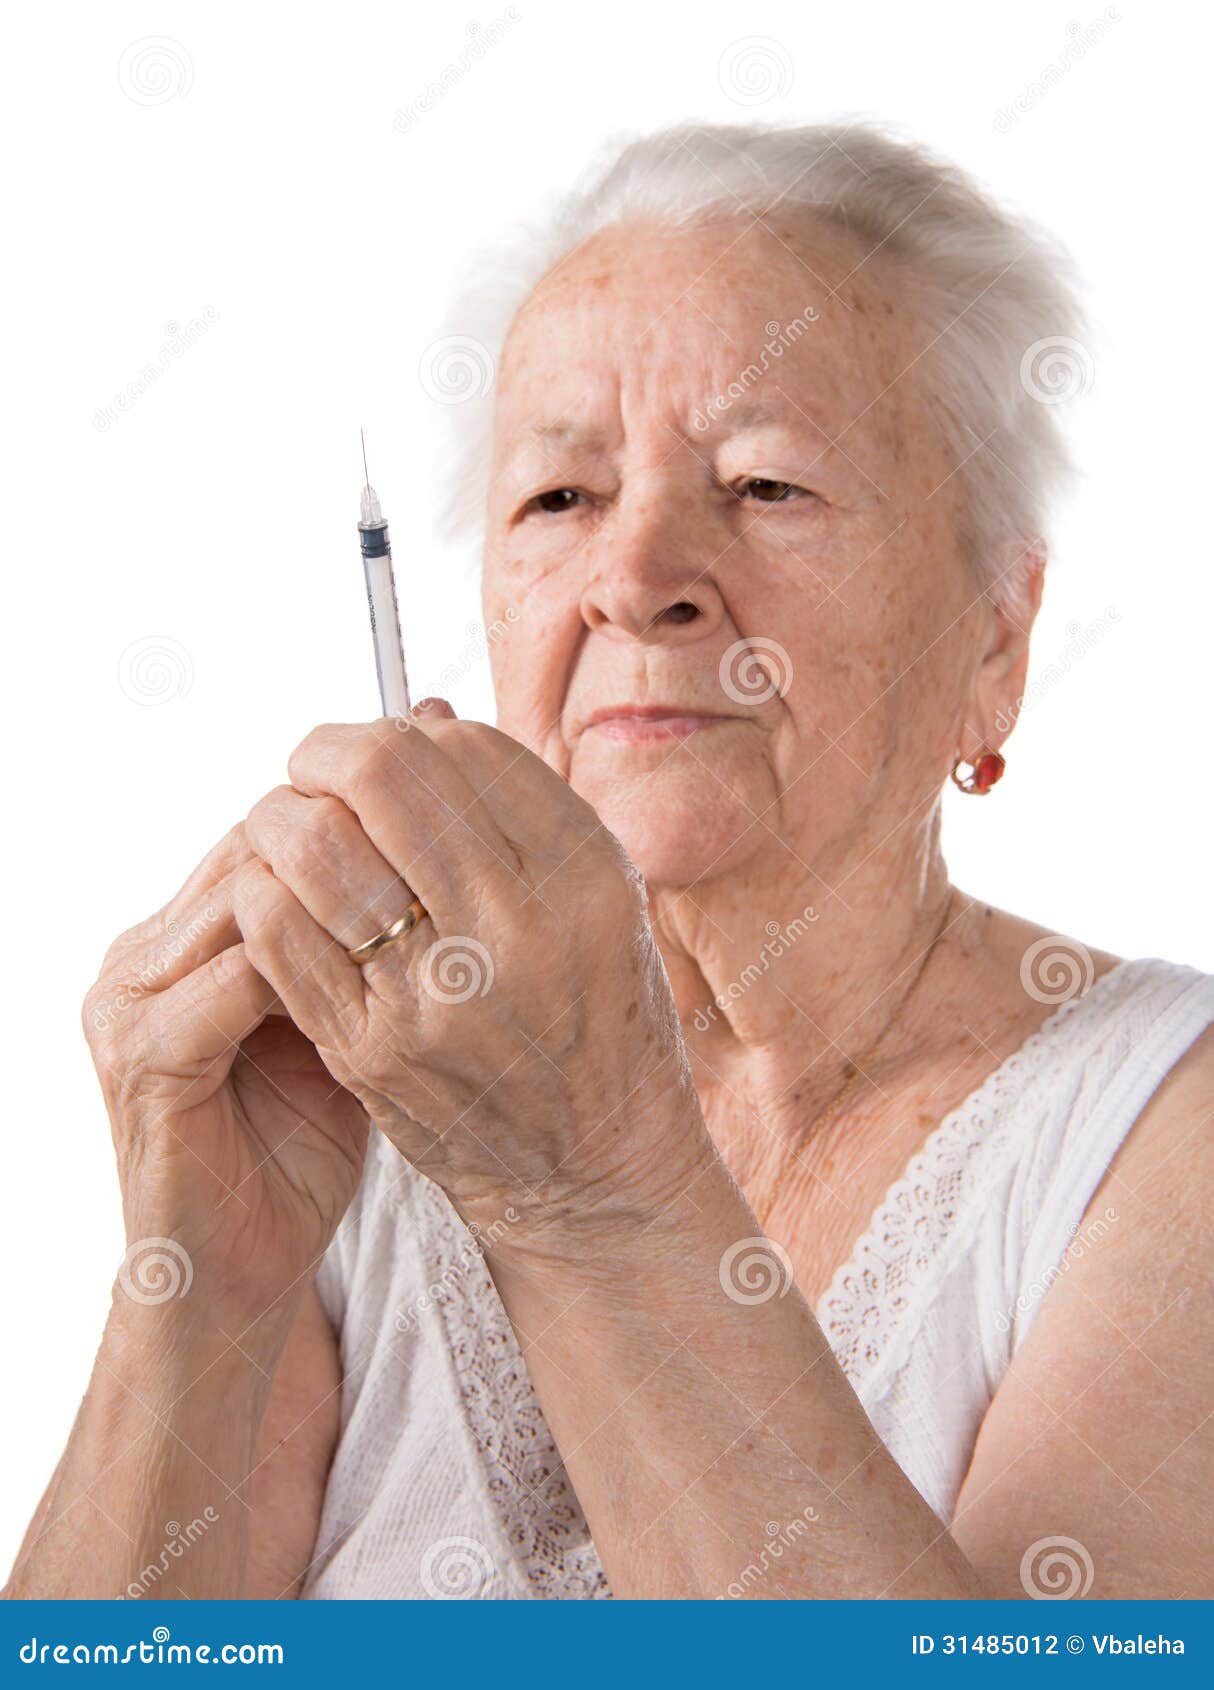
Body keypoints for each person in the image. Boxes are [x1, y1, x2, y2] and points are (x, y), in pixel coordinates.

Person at [6, 121, 1211, 1602]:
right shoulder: (357, 1124)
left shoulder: (1160, 1130)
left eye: (766, 485)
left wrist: (590, 1182)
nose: (633, 579)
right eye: (559, 500)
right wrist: (192, 1298)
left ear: (994, 639)